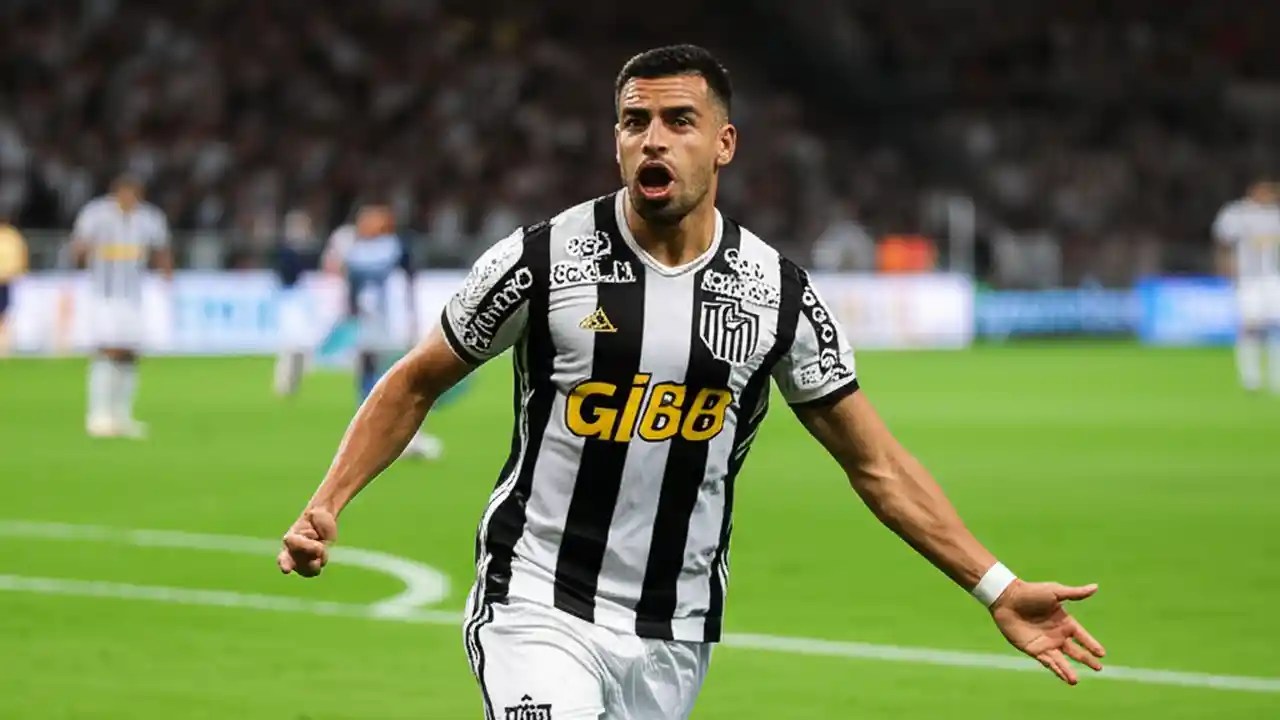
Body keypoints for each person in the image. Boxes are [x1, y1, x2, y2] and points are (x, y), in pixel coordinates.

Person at [277, 45, 1105, 718]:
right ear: (616, 140)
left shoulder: (778, 296)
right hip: (536, 603)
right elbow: (416, 379)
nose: (653, 140)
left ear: (724, 143)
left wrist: (994, 584)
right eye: (635, 122)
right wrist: (329, 500)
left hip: (674, 633)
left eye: (679, 121)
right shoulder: (543, 259)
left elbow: (875, 464)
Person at [323, 204, 443, 459]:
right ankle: (408, 436)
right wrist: (413, 320)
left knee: (368, 378)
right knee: (404, 381)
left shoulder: (355, 254)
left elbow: (351, 295)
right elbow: (409, 283)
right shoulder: (397, 248)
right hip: (392, 325)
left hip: (367, 325)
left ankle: (366, 433)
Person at [71, 175, 172, 438]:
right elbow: (78, 247)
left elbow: (161, 249)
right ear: (116, 193)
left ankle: (121, 415)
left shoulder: (150, 218)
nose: (130, 199)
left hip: (133, 294)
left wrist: (167, 273)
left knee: (130, 352)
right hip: (103, 294)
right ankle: (98, 415)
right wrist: (81, 254)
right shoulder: (95, 214)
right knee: (107, 349)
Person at [1214, 178, 1280, 393]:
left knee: (1276, 328)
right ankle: (1250, 378)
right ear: (1254, 190)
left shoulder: (1276, 215)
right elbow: (1222, 241)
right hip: (1249, 278)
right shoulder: (1237, 213)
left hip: (1274, 278)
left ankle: (1275, 378)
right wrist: (1225, 267)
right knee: (1249, 327)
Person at [273, 209, 320, 397]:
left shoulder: (303, 251)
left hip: (300, 298)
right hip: (290, 299)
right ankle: (284, 384)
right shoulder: (286, 252)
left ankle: (295, 382)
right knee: (291, 343)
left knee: (302, 343)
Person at [0, 214, 28, 356]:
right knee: (4, 315)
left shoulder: (12, 237)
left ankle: (3, 347)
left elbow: (20, 255)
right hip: (6, 279)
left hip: (6, 281)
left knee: (4, 315)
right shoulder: (12, 237)